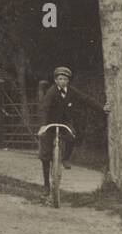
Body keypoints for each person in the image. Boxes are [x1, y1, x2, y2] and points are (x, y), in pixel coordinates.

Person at [38, 66, 109, 197]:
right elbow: (44, 108)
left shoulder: (71, 91)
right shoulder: (51, 91)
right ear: (55, 80)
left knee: (71, 136)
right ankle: (46, 185)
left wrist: (102, 108)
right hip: (49, 122)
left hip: (64, 122)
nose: (63, 81)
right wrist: (43, 125)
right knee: (45, 154)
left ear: (68, 80)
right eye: (60, 79)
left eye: (65, 79)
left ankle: (65, 158)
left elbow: (86, 99)